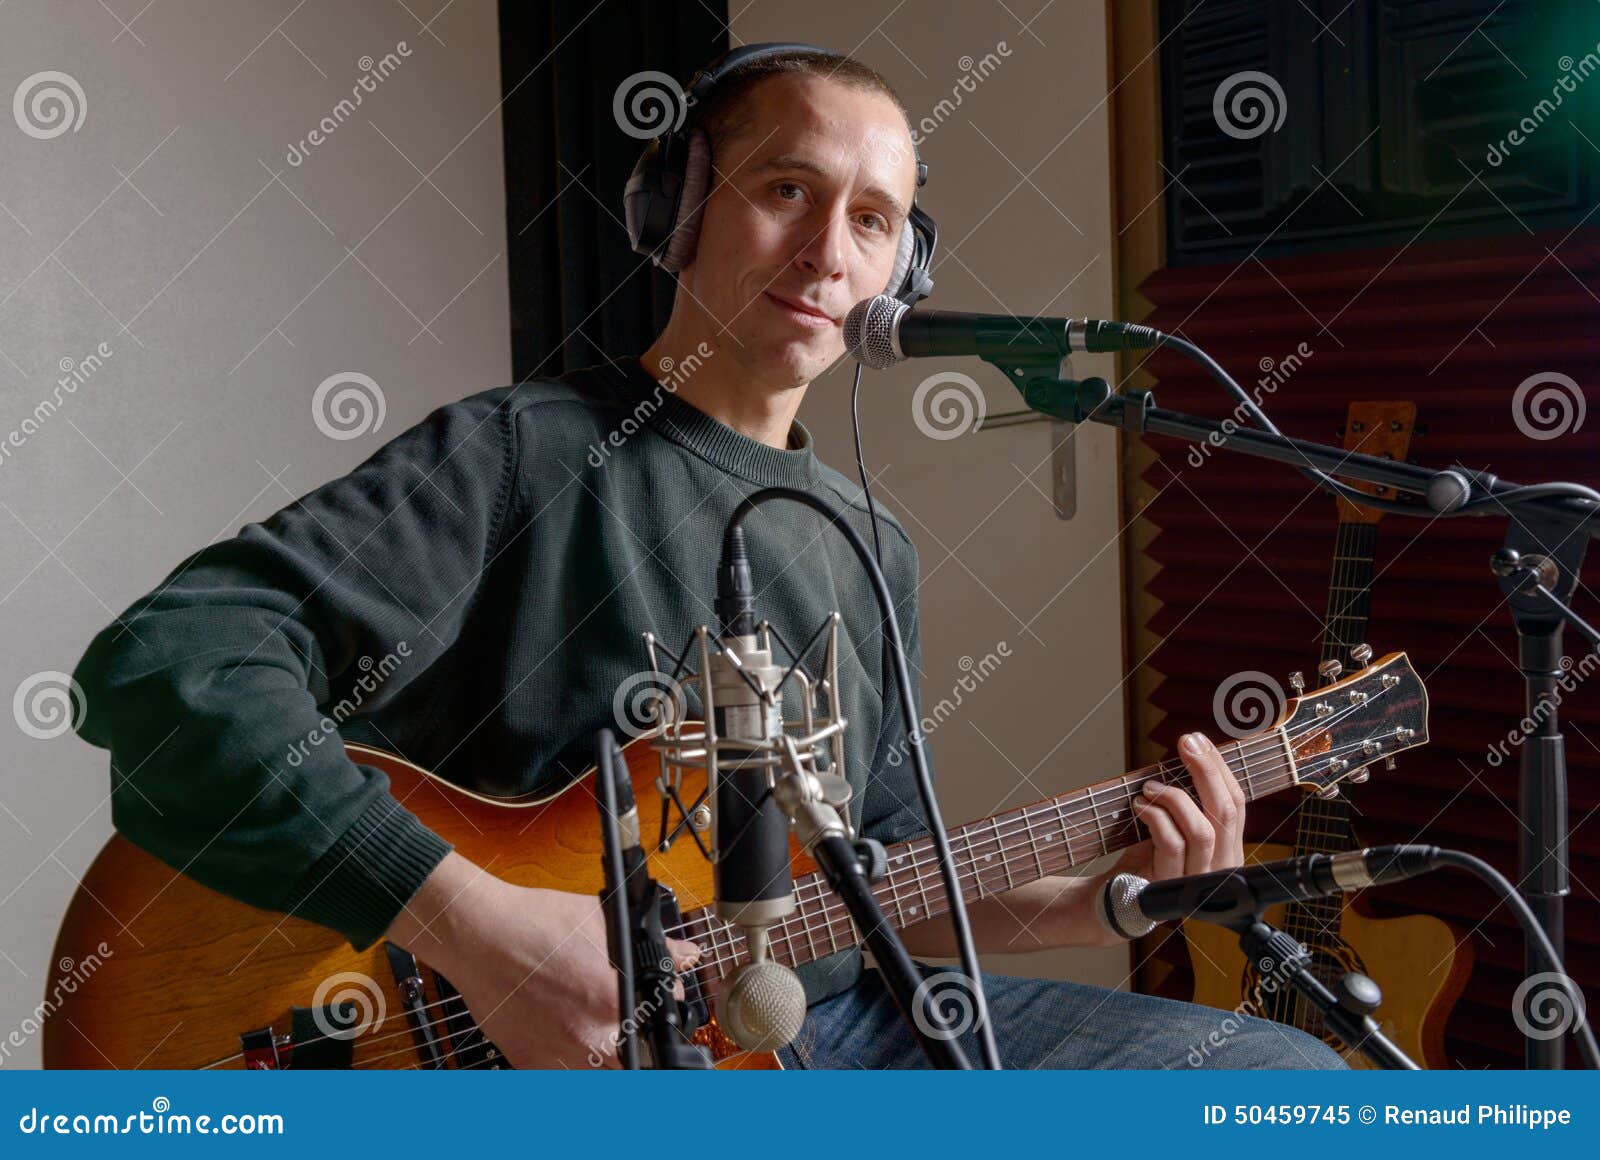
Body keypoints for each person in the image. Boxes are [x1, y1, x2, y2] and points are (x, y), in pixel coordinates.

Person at [72, 46, 1343, 1070]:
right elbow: (171, 662)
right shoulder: (523, 452)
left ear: (904, 269)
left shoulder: (866, 545)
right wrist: (472, 924)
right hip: (541, 1046)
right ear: (677, 209)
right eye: (787, 188)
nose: (828, 250)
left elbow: (879, 880)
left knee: (1276, 1083)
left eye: (874, 217)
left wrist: (1111, 897)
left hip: (823, 1028)